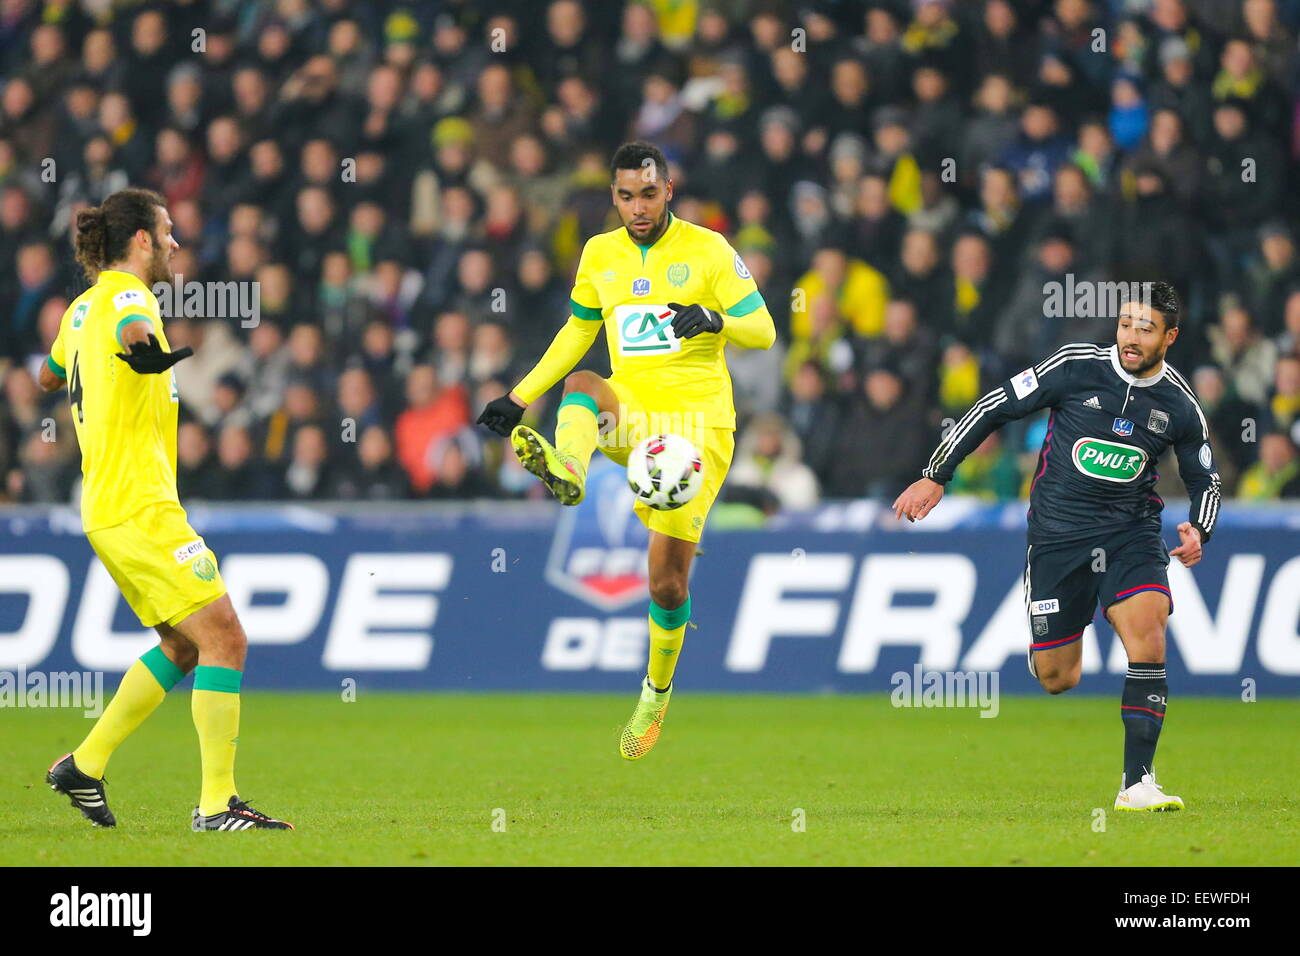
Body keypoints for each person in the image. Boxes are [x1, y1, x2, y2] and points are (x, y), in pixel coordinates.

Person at [477, 141, 775, 760]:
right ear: (613, 197)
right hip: (632, 417)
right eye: (625, 196)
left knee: (666, 585)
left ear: (669, 190)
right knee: (583, 382)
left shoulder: (709, 249)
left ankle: (655, 692)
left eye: (647, 193)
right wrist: (519, 395)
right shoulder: (599, 253)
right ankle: (568, 467)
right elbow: (578, 331)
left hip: (697, 430)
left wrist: (714, 319)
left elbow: (764, 331)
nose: (637, 207)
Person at [893, 282, 1220, 812]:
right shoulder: (1075, 365)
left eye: (1146, 329)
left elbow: (1206, 479)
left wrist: (1200, 529)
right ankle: (1048, 649)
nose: (1131, 338)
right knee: (1058, 677)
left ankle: (1137, 783)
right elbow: (994, 406)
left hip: (1129, 534)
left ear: (1171, 336)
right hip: (1057, 538)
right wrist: (937, 474)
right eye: (1126, 324)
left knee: (1149, 635)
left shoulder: (1180, 405)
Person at [37, 188, 291, 831]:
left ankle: (85, 766)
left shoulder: (77, 310)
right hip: (140, 504)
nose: (176, 243)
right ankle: (216, 805)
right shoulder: (128, 293)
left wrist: (93, 367)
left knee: (183, 645)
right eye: (168, 231)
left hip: (106, 506)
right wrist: (141, 342)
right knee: (226, 636)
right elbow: (132, 322)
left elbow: (47, 375)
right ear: (142, 240)